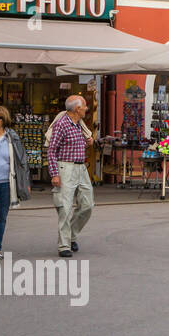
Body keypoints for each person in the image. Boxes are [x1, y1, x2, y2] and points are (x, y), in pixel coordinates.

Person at [47, 95, 94, 257]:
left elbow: (74, 144)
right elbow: (52, 150)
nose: (86, 109)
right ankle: (64, 245)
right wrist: (54, 174)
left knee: (88, 204)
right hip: (65, 167)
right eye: (84, 106)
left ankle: (72, 234)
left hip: (81, 168)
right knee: (65, 208)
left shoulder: (78, 124)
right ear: (76, 109)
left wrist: (87, 142)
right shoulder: (62, 124)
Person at [0, 106, 31, 261]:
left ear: (3, 119)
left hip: (7, 183)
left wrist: (25, 182)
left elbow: (22, 161)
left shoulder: (12, 137)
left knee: (2, 217)